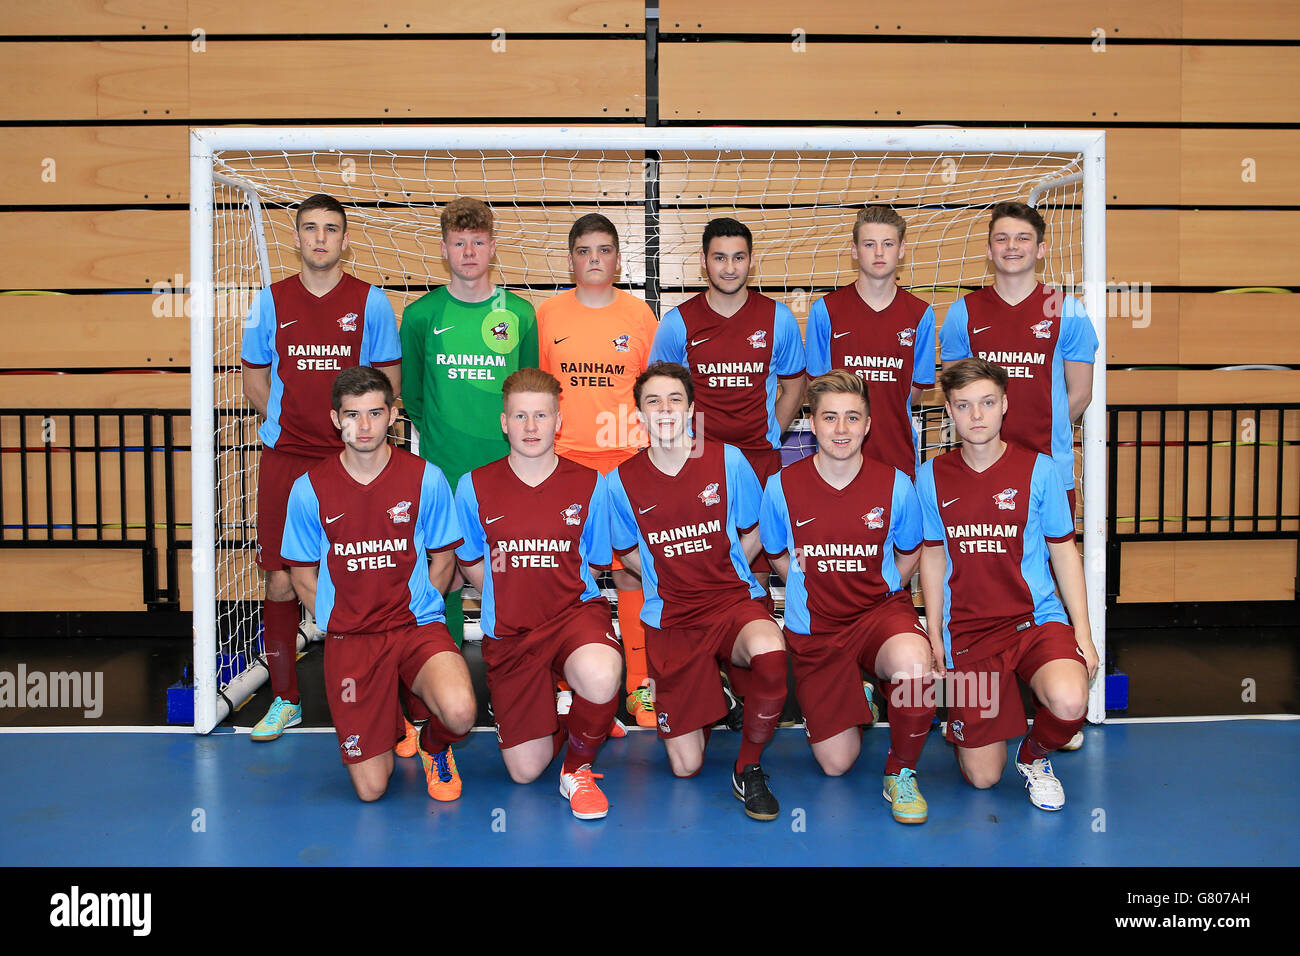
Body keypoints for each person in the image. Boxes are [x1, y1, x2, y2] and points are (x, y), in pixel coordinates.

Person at [240, 193, 401, 742]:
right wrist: (297, 427)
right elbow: (256, 382)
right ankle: (286, 698)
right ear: (297, 237)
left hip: (350, 462)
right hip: (287, 458)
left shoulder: (371, 302)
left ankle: (382, 693)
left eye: (331, 229)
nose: (319, 238)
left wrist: (353, 435)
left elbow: (387, 385)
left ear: (345, 239)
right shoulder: (269, 300)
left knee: (374, 569)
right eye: (310, 228)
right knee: (281, 578)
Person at [280, 367, 476, 802]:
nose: (363, 426)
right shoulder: (309, 489)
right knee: (371, 789)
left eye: (374, 413)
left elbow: (444, 557)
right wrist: (338, 625)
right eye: (352, 415)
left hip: (414, 627)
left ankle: (434, 745)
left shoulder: (426, 477)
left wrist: (425, 608)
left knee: (461, 712)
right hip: (353, 639)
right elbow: (301, 574)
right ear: (336, 420)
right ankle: (389, 713)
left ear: (392, 416)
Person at [606, 362, 790, 821]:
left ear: (690, 408)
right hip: (672, 618)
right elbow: (629, 554)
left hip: (730, 602)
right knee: (685, 768)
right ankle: (715, 697)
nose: (664, 409)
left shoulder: (728, 461)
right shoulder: (619, 481)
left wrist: (719, 573)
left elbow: (753, 535)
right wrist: (668, 576)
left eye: (674, 399)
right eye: (653, 401)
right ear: (640, 414)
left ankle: (748, 767)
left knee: (769, 650)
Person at [915, 358, 1097, 810]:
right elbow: (933, 556)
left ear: (1005, 406)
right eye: (964, 406)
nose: (976, 416)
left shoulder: (1040, 470)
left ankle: (1034, 756)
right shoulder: (931, 477)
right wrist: (934, 632)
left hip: (1034, 621)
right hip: (972, 633)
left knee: (1072, 700)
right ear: (950, 413)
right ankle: (975, 719)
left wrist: (1085, 635)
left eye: (987, 403)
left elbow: (1063, 553)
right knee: (982, 778)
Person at [759, 370, 935, 823]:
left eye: (852, 418)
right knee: (836, 765)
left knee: (915, 666)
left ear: (869, 424)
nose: (841, 429)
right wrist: (812, 585)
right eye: (830, 417)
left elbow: (910, 550)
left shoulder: (896, 483)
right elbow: (778, 556)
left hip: (877, 613)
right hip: (818, 630)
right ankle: (858, 691)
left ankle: (900, 772)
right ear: (811, 423)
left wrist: (883, 590)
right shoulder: (781, 485)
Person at [454, 369, 623, 819]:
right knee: (524, 772)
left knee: (604, 672)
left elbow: (595, 559)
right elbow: (470, 559)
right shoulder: (473, 485)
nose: (531, 427)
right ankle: (577, 715)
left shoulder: (591, 483)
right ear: (504, 422)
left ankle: (578, 769)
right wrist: (507, 594)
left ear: (558, 421)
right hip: (511, 632)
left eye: (541, 416)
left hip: (572, 615)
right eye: (521, 416)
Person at [537, 214, 659, 727]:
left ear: (617, 258)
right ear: (570, 259)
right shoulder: (546, 315)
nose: (593, 259)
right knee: (570, 574)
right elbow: (535, 392)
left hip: (626, 461)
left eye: (604, 250)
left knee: (633, 568)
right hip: (566, 464)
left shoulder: (639, 315)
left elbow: (655, 390)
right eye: (584, 250)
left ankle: (639, 686)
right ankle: (572, 685)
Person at [937, 201, 1098, 514]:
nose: (1011, 246)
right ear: (989, 249)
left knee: (1054, 562)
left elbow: (1080, 394)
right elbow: (956, 394)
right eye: (1002, 238)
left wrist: (1037, 434)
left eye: (1023, 238)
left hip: (1049, 467)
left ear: (1040, 249)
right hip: (979, 467)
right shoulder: (963, 313)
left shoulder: (1068, 311)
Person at [805, 205, 936, 478]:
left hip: (897, 457)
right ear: (854, 250)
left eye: (888, 244)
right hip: (837, 459)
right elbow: (817, 388)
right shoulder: (826, 310)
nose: (879, 252)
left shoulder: (920, 314)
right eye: (869, 244)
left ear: (901, 250)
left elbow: (915, 392)